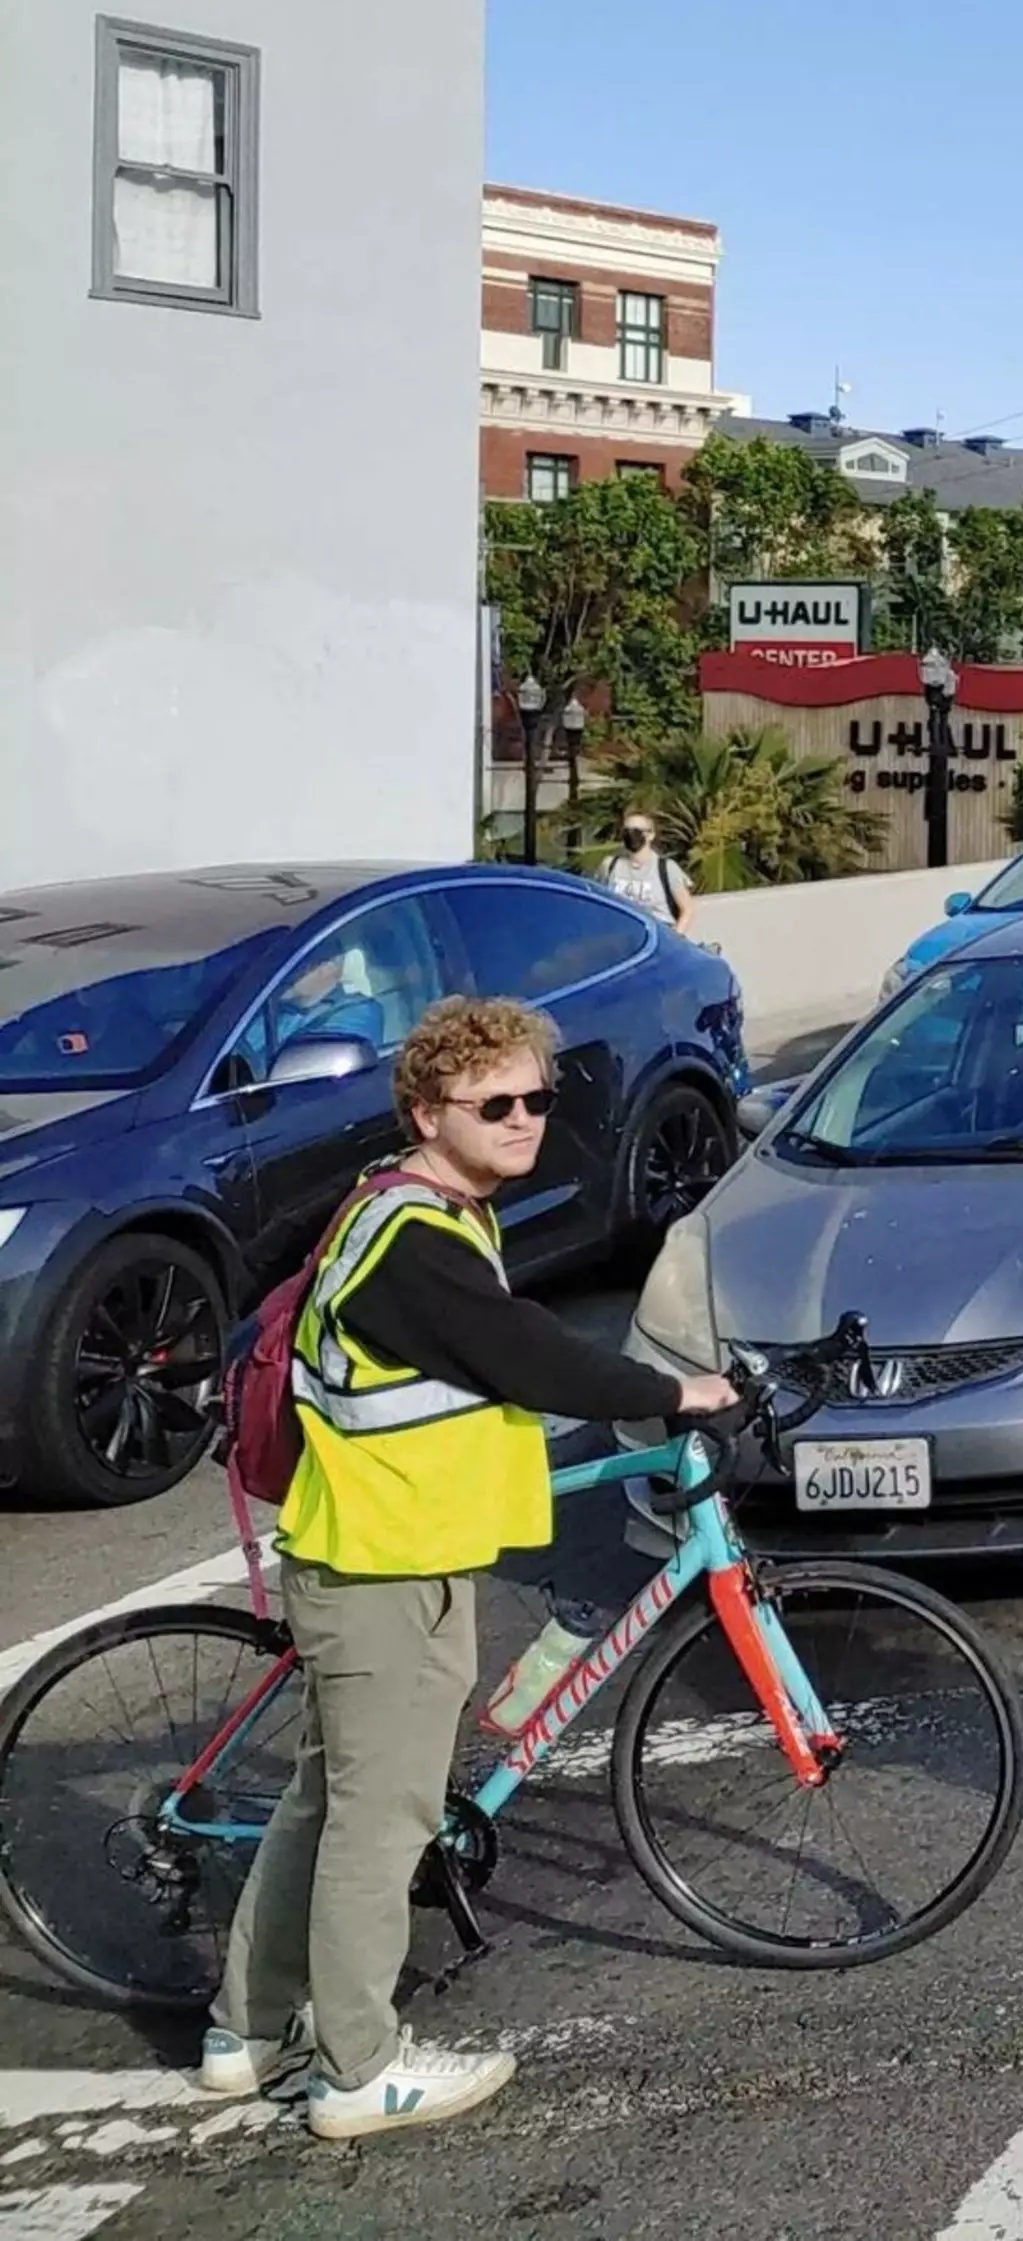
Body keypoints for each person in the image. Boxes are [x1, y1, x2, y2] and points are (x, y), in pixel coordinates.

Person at [203, 997, 735, 2138]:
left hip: (374, 1552)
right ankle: (357, 2067)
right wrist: (668, 1391)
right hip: (384, 1569)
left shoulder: (409, 1209)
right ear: (424, 1110)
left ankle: (244, 2029)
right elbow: (525, 1354)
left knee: (326, 1799)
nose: (523, 1118)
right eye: (492, 1102)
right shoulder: (414, 1241)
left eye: (538, 1097)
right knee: (380, 1820)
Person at [599, 812, 696, 935]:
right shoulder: (610, 866)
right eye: (626, 830)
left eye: (637, 830)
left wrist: (676, 937)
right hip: (620, 935)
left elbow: (687, 909)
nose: (631, 834)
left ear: (651, 835)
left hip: (657, 935)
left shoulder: (666, 868)